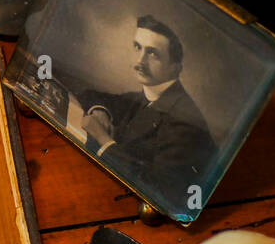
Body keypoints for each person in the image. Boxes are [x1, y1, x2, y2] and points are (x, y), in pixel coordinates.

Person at [74, 16, 217, 200]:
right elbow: (92, 96)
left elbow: (163, 191)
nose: (140, 61)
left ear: (175, 68)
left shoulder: (184, 123)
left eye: (152, 54)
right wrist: (100, 110)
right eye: (137, 47)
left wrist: (104, 141)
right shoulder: (145, 96)